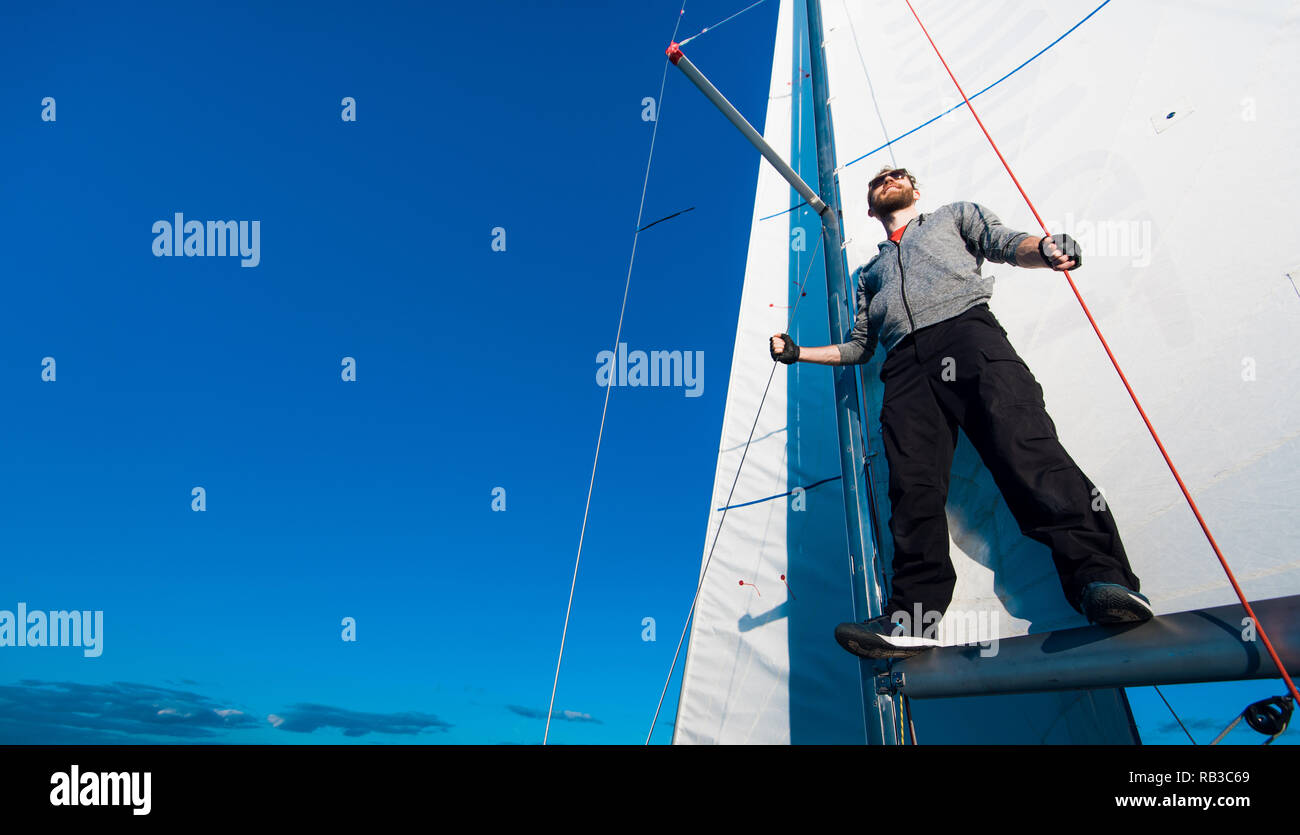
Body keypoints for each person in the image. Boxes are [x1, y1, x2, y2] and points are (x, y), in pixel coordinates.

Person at [769, 167, 1151, 660]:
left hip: (968, 335)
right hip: (903, 363)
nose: (891, 177)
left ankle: (1102, 580)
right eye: (881, 178)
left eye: (899, 174)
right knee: (911, 487)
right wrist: (799, 354)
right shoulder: (869, 274)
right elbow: (860, 347)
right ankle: (912, 620)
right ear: (869, 207)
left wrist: (1048, 248)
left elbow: (1004, 242)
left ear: (916, 191)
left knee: (1027, 452)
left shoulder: (954, 216)